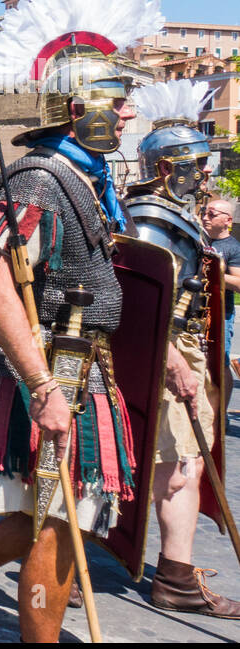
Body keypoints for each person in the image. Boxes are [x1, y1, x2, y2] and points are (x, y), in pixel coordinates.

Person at [0, 0, 160, 643]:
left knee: (54, 511)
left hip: (83, 366)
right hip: (48, 373)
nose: (126, 118)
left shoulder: (86, 180)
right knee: (63, 522)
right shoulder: (41, 180)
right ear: (81, 108)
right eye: (117, 105)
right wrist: (44, 388)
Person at [123, 79, 239, 618]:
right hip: (158, 355)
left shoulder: (178, 213)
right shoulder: (149, 219)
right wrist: (172, 363)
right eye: (198, 163)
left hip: (181, 348)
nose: (208, 173)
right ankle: (168, 576)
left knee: (183, 461)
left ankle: (175, 568)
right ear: (168, 167)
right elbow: (142, 303)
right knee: (168, 462)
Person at [201, 198, 240, 365]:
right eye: (203, 213)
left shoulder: (233, 247)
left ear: (228, 220)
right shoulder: (198, 240)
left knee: (219, 365)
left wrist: (211, 273)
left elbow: (239, 283)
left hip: (221, 314)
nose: (204, 218)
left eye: (211, 214)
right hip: (195, 312)